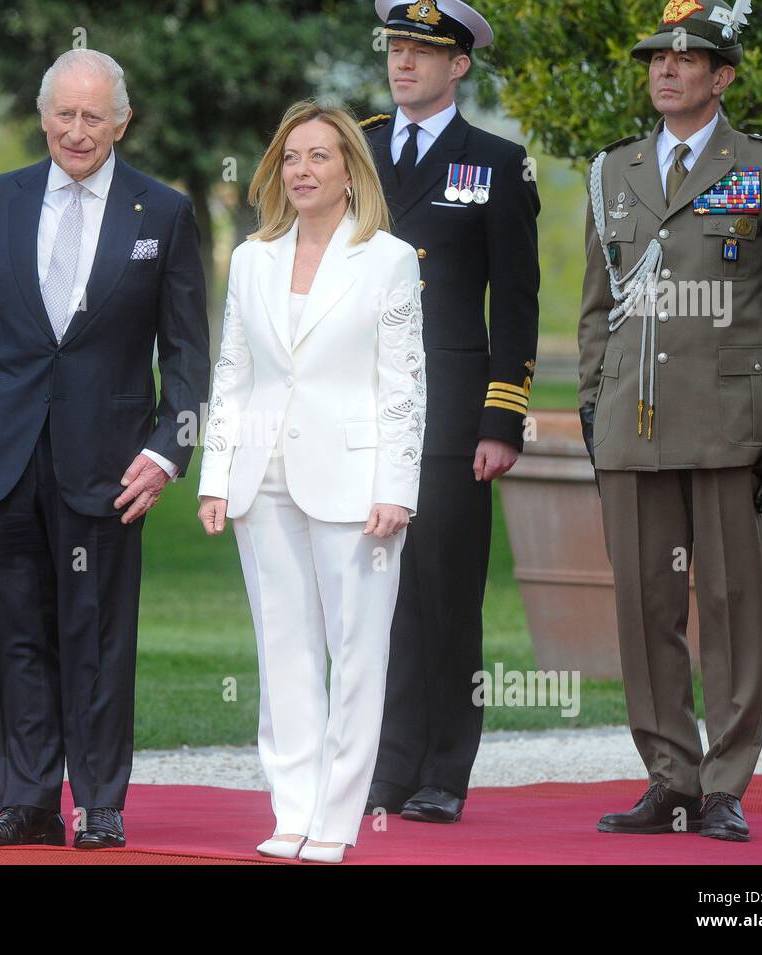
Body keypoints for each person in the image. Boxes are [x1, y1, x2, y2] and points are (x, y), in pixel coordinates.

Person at [0, 49, 210, 849]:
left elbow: (189, 351)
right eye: (64, 112)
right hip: (2, 451)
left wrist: (169, 450)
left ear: (121, 122)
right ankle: (25, 799)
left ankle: (97, 801)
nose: (77, 129)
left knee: (94, 633)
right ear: (43, 114)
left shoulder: (161, 212)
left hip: (108, 461)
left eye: (94, 115)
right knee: (12, 631)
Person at [578, 0, 762, 842]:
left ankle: (724, 785)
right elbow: (598, 305)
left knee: (729, 602)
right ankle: (670, 777)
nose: (665, 71)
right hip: (630, 422)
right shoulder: (612, 173)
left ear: (722, 77)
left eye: (684, 60)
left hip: (727, 417)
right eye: (655, 60)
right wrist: (589, 397)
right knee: (645, 611)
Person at [196, 101, 425, 863]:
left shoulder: (387, 258)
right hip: (265, 479)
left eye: (319, 156)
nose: (301, 170)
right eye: (290, 157)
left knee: (357, 653)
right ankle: (290, 808)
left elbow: (403, 384)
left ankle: (336, 817)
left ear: (350, 171)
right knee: (283, 652)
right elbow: (232, 372)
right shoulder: (254, 256)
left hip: (357, 484)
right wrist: (217, 474)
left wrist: (397, 484)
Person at [361, 0, 540, 824]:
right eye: (396, 48)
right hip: (359, 409)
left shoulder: (497, 163)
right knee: (374, 597)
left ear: (458, 65)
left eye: (421, 52)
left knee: (443, 592)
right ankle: (385, 763)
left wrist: (501, 418)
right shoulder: (354, 148)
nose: (403, 63)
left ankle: (442, 768)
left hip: (451, 413)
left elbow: (519, 300)